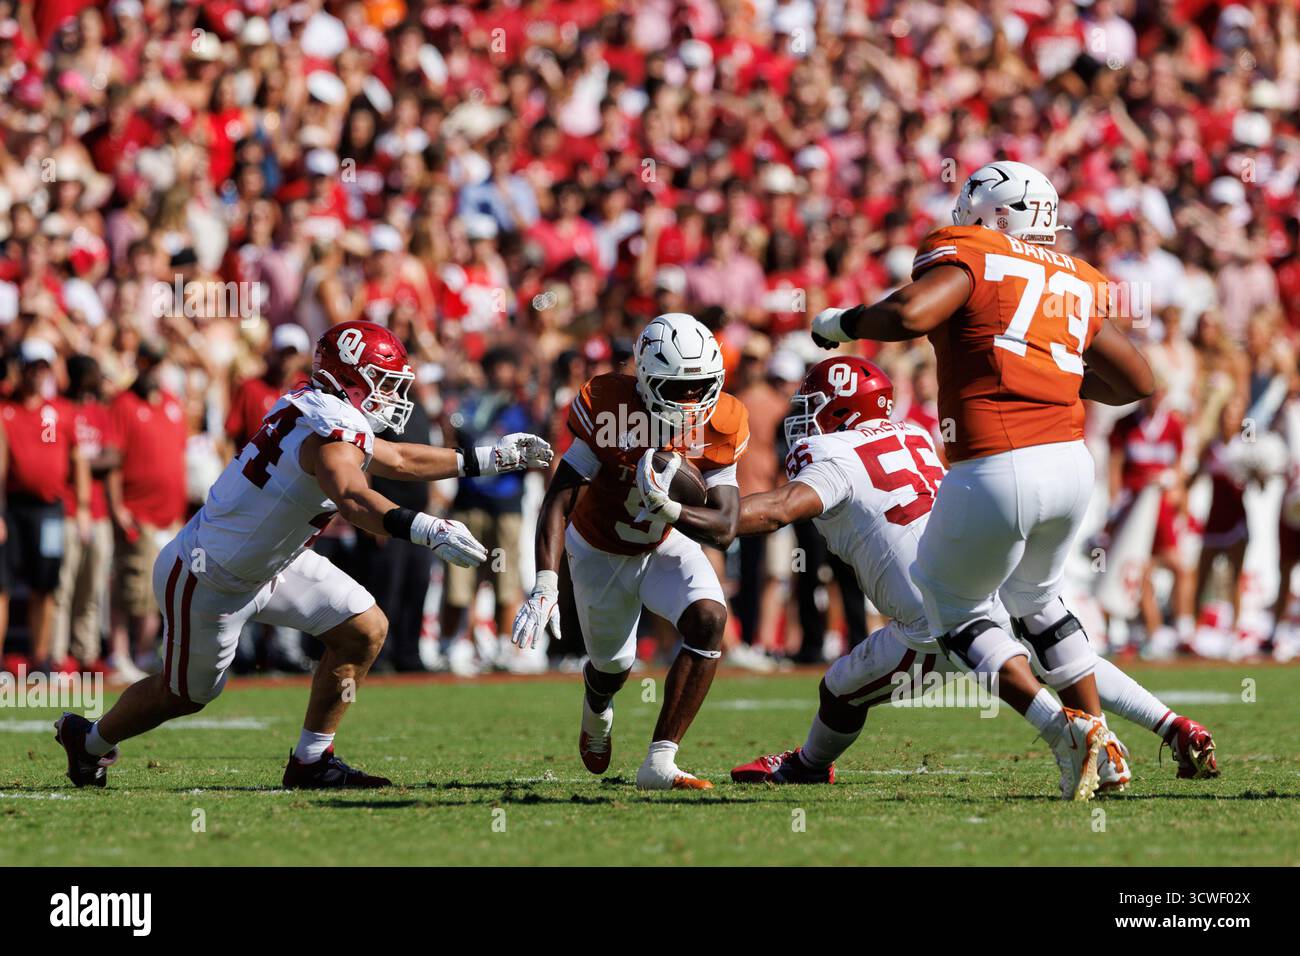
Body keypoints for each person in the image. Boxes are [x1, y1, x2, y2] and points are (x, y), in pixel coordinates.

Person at [810, 161, 1188, 799]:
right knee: (1038, 604)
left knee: (946, 602)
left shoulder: (973, 253)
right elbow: (1138, 382)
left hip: (995, 461)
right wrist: (1057, 372)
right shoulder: (1072, 274)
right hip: (1070, 464)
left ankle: (1064, 729)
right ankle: (1104, 742)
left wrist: (842, 324)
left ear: (995, 213)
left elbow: (910, 316)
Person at [54, 321, 551, 790]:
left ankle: (312, 760)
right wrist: (422, 527)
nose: (392, 395)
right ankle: (90, 740)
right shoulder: (328, 429)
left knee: (364, 628)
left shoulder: (324, 407)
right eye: (380, 380)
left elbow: (396, 458)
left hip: (275, 563)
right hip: (212, 578)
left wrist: (489, 458)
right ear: (346, 378)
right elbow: (354, 497)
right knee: (186, 695)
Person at [729, 357, 1219, 789]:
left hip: (927, 617)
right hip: (980, 565)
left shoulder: (829, 455)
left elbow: (779, 509)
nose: (802, 418)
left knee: (839, 690)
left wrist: (702, 513)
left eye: (813, 405)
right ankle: (1172, 725)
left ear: (842, 410)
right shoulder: (913, 434)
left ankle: (812, 765)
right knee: (1053, 646)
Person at [512, 313, 749, 791]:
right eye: (676, 387)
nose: (690, 400)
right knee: (613, 668)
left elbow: (724, 527)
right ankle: (597, 703)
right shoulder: (607, 401)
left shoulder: (724, 419)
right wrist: (544, 582)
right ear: (643, 378)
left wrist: (669, 510)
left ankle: (660, 760)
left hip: (664, 541)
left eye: (700, 385)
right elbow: (561, 495)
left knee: (709, 617)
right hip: (599, 548)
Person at [438, 347, 536, 674]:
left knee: (506, 580)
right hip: (469, 502)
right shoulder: (468, 402)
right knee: (459, 580)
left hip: (506, 503)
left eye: (508, 368)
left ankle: (506, 645)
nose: (503, 375)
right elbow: (453, 434)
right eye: (498, 368)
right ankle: (454, 644)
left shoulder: (522, 407)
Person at [0, 340, 91, 671]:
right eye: (32, 367)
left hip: (50, 508)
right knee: (3, 585)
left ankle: (41, 659)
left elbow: (78, 458)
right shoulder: (5, 409)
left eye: (43, 367)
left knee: (46, 585)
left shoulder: (61, 411)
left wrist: (81, 507)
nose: (38, 374)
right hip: (13, 506)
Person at [106, 341, 188, 675]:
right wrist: (117, 507)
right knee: (130, 586)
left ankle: (143, 653)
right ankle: (120, 652)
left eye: (156, 362)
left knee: (159, 588)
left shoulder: (172, 403)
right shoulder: (124, 403)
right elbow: (113, 459)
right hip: (137, 511)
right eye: (146, 362)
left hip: (169, 515)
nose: (152, 368)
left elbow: (178, 457)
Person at [52, 355, 117, 671]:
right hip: (65, 510)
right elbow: (52, 458)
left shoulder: (98, 413)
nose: (99, 379)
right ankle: (57, 655)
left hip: (98, 512)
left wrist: (78, 461)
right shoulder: (59, 410)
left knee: (92, 588)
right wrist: (79, 461)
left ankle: (86, 652)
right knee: (62, 587)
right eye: (94, 374)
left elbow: (112, 457)